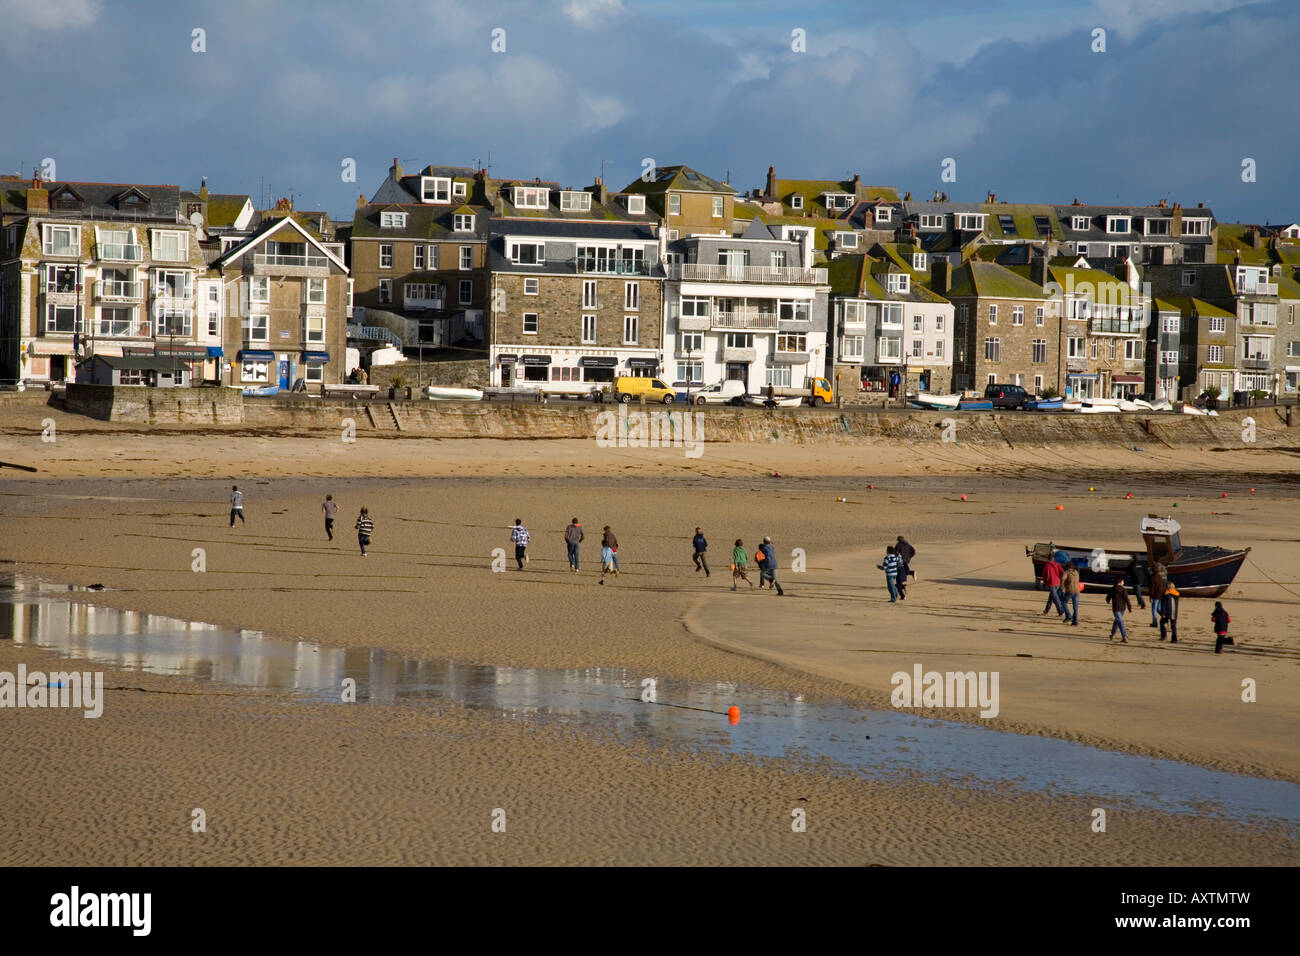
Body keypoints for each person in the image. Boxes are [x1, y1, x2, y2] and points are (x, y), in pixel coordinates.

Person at [1147, 561, 1167, 627]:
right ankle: (1165, 618)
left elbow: (1152, 588)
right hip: (1161, 594)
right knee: (1158, 608)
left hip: (1156, 595)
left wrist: (1151, 597)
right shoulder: (1160, 577)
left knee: (1154, 609)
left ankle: (1155, 622)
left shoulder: (1153, 578)